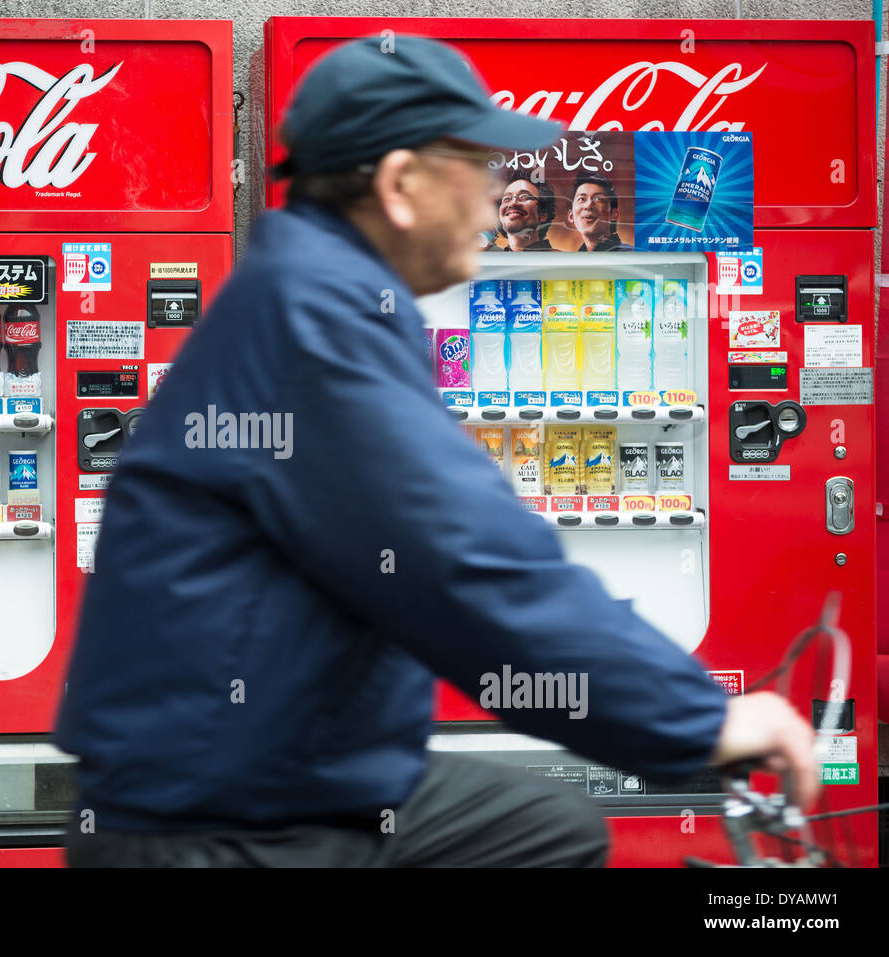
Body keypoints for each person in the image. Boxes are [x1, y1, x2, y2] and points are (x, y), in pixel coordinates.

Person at [55, 36, 817, 868]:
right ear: (400, 185)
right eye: (480, 169)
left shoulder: (316, 294)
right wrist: (699, 720)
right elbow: (467, 563)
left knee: (542, 823)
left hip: (278, 768)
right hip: (221, 821)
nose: (497, 204)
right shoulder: (314, 324)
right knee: (542, 833)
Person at [568, 172, 633, 251]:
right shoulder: (573, 260)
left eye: (598, 199)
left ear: (614, 214)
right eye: (581, 199)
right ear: (571, 216)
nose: (588, 205)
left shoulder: (632, 255)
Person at [493, 176, 557, 251]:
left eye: (524, 196)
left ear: (543, 214)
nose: (513, 203)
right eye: (507, 198)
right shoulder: (489, 259)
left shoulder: (559, 260)